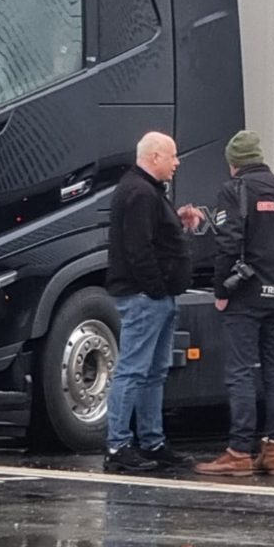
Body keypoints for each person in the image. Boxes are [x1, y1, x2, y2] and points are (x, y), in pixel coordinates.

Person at [195, 130, 274, 478]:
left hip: (246, 297)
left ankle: (239, 452)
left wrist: (221, 290)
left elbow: (228, 244)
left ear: (234, 163)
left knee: (241, 372)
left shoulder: (234, 190)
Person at [104, 131, 204, 474]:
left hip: (154, 297)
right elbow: (138, 248)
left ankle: (152, 442)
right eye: (173, 156)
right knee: (133, 370)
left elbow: (151, 236)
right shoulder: (140, 193)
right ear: (155, 156)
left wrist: (176, 219)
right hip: (145, 298)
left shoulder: (146, 191)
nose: (177, 163)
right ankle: (118, 446)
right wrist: (155, 289)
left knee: (153, 372)